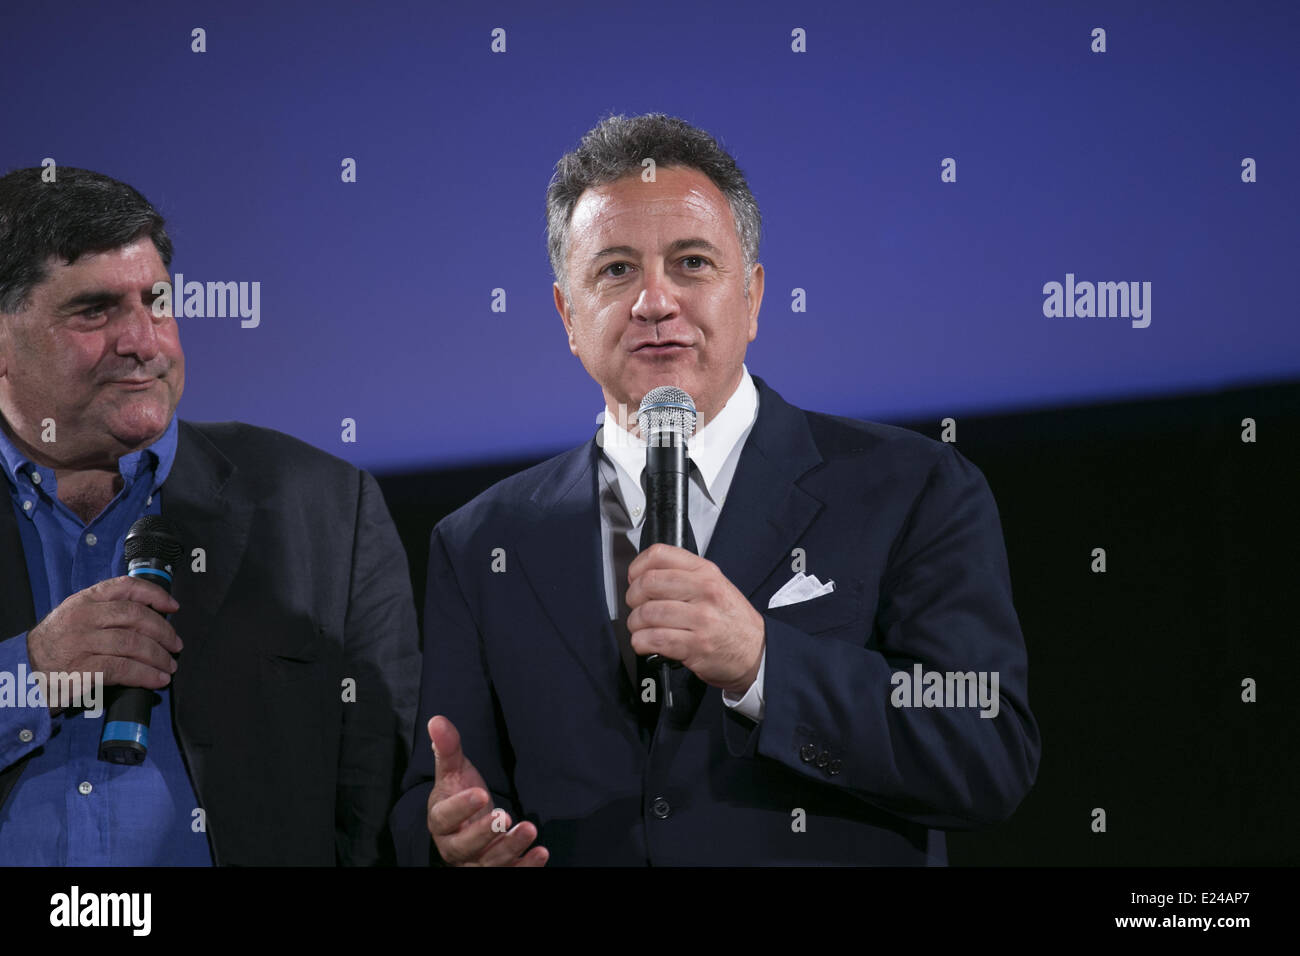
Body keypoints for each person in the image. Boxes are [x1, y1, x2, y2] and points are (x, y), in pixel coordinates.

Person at [391, 114, 1040, 865]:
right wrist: (452, 839)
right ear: (568, 316)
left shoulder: (913, 488)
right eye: (616, 270)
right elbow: (432, 802)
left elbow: (986, 750)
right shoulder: (481, 542)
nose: (654, 302)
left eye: (692, 263)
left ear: (754, 297)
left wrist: (764, 663)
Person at [0, 167, 420, 865]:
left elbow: (379, 793)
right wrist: (31, 672)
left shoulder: (323, 509)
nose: (144, 341)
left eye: (157, 303)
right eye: (95, 311)